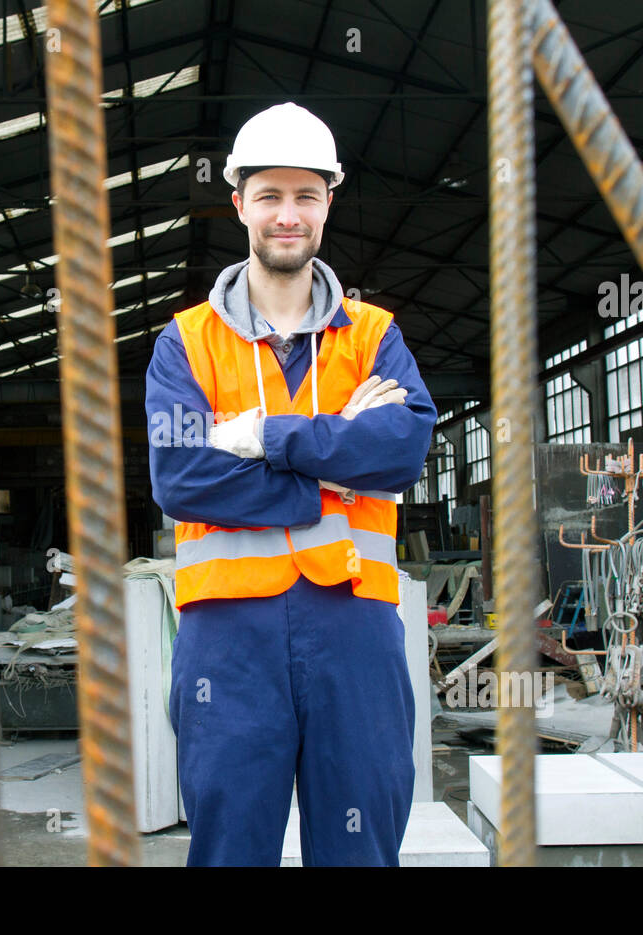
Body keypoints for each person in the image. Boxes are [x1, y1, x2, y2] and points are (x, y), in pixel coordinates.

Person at [144, 102, 437, 866]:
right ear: (238, 202)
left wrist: (267, 437)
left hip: (355, 625)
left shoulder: (374, 334)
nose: (287, 214)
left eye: (305, 195)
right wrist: (332, 480)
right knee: (231, 844)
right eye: (269, 195)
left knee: (361, 840)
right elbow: (181, 477)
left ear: (327, 204)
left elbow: (404, 447)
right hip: (228, 639)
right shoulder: (187, 342)